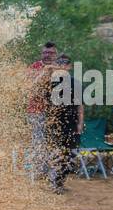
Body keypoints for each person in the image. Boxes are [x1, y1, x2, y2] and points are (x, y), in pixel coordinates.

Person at [45, 55, 83, 193]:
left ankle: (60, 182)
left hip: (72, 124)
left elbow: (80, 105)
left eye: (65, 64)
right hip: (55, 124)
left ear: (70, 67)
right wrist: (48, 71)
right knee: (57, 155)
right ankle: (54, 184)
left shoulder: (76, 83)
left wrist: (80, 123)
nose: (62, 66)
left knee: (71, 157)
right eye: (59, 63)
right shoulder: (51, 82)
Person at [26, 42, 59, 179]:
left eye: (51, 53)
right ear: (41, 54)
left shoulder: (59, 68)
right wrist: (45, 72)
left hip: (55, 111)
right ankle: (39, 171)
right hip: (36, 110)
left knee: (53, 140)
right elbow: (31, 87)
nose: (47, 55)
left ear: (55, 54)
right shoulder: (35, 67)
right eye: (45, 52)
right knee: (38, 140)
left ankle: (51, 172)